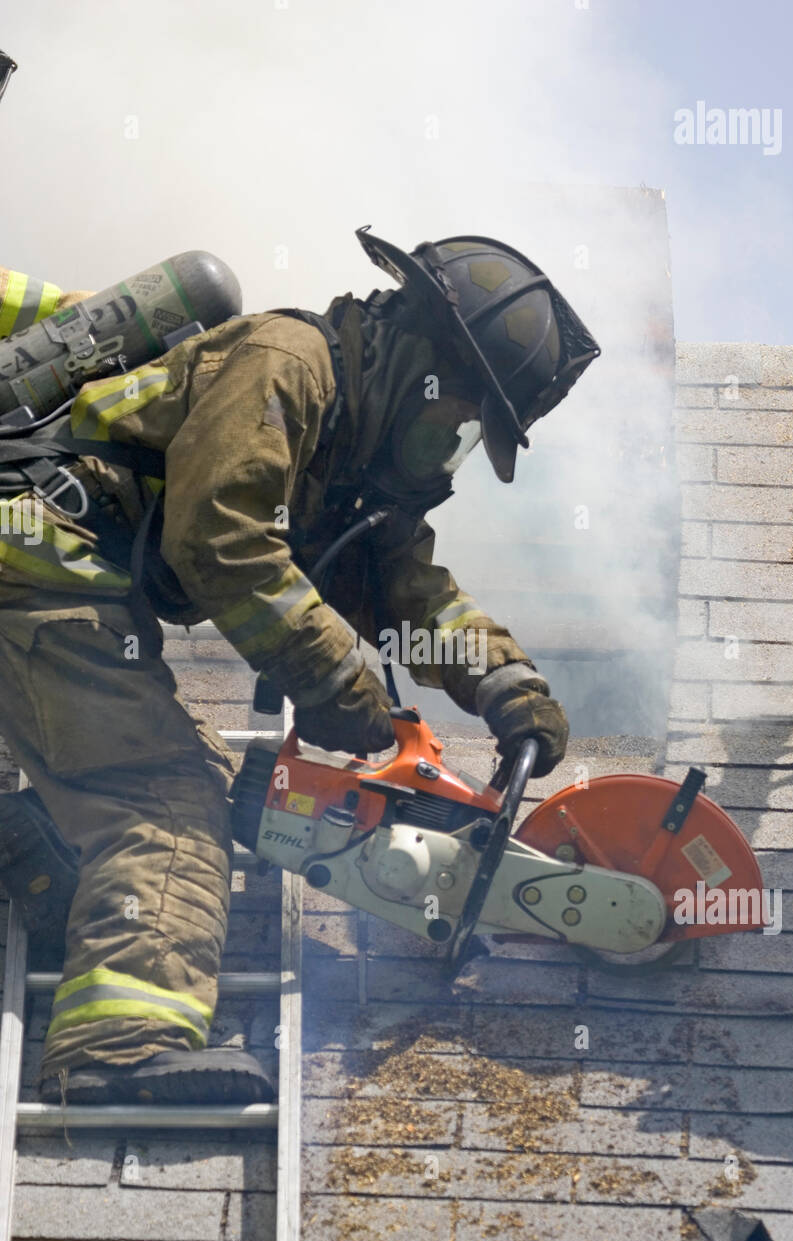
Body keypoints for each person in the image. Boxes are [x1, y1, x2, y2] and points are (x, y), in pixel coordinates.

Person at [0, 229, 600, 1104]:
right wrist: (333, 683)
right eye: (456, 419)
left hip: (51, 576)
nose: (448, 450)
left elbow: (408, 589)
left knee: (187, 778)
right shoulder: (286, 364)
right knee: (166, 804)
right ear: (412, 359)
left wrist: (509, 688)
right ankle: (119, 1047)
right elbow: (223, 540)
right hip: (41, 562)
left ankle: (32, 854)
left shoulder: (346, 459)